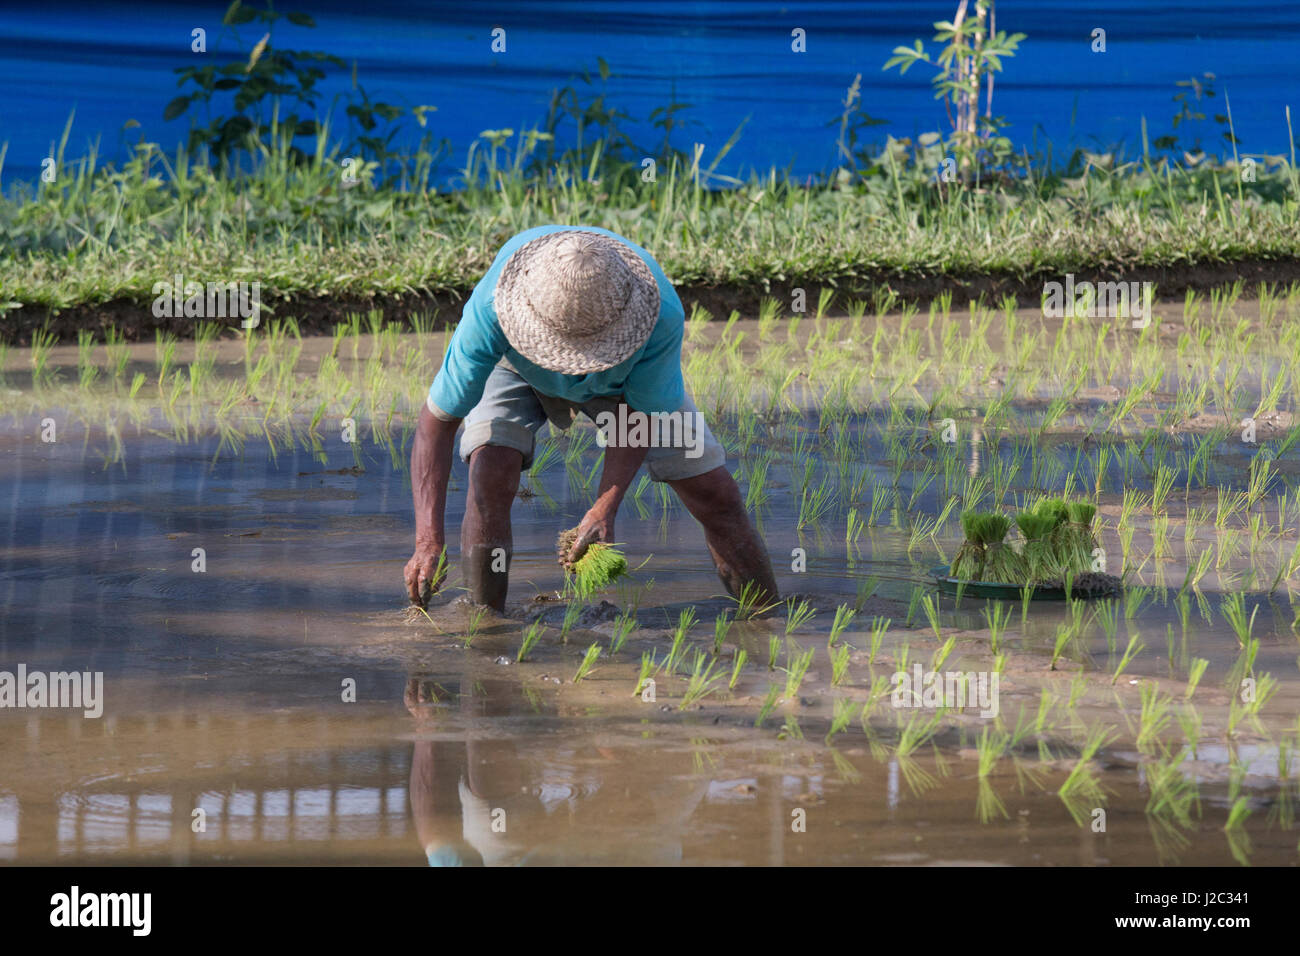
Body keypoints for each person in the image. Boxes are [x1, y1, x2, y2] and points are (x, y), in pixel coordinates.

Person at [404, 225, 777, 611]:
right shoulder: (493, 309)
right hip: (516, 363)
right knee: (490, 472)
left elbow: (639, 415)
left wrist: (605, 507)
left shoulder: (657, 315)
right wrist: (427, 540)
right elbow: (438, 421)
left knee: (713, 491)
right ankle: (487, 625)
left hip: (620, 378)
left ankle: (769, 622)